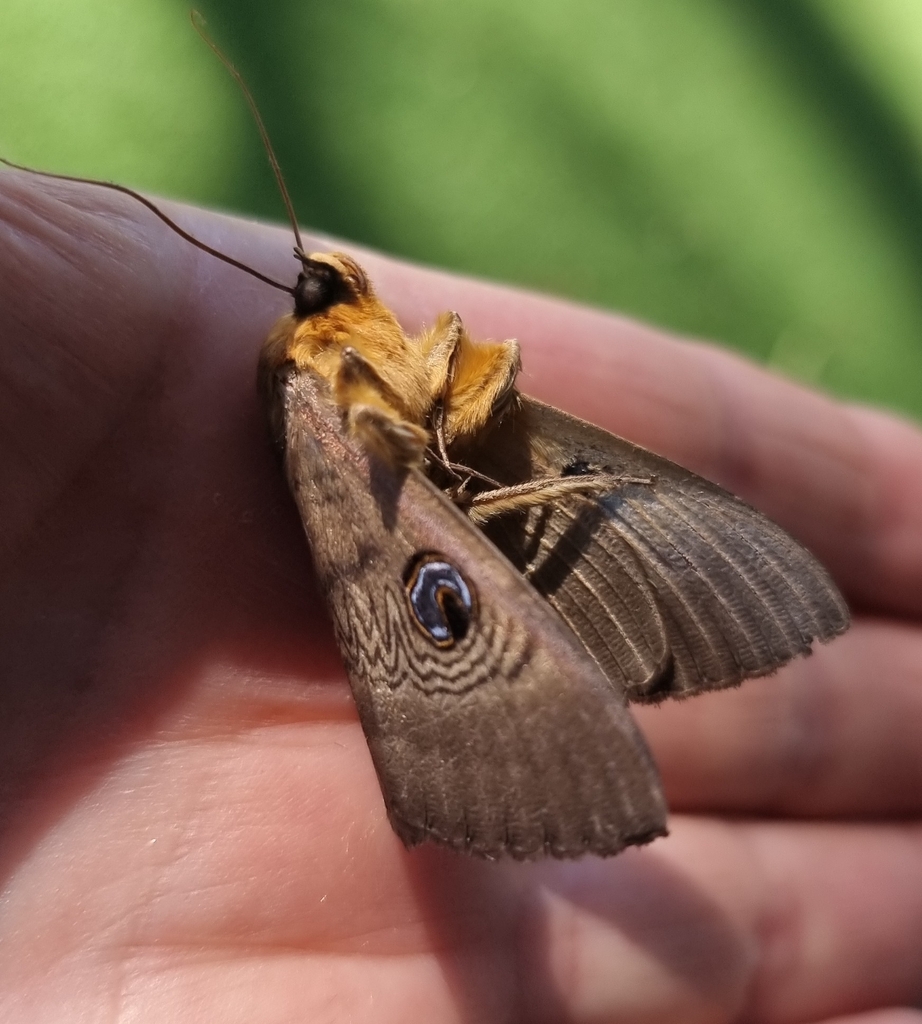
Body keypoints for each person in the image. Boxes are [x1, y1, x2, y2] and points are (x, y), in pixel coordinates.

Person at [1, 169, 920, 1023]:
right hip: (397, 533)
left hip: (416, 483)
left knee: (581, 491)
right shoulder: (311, 382)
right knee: (446, 534)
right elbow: (367, 430)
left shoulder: (354, 361)